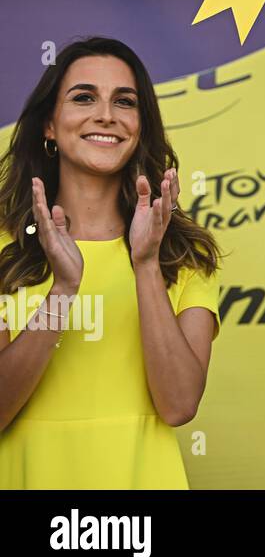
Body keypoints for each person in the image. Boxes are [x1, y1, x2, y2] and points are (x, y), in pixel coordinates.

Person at [0, 37, 223, 488]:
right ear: (49, 123)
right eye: (84, 97)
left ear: (141, 125)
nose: (106, 115)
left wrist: (144, 264)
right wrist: (62, 290)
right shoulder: (5, 250)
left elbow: (179, 405)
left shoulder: (182, 253)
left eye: (125, 101)